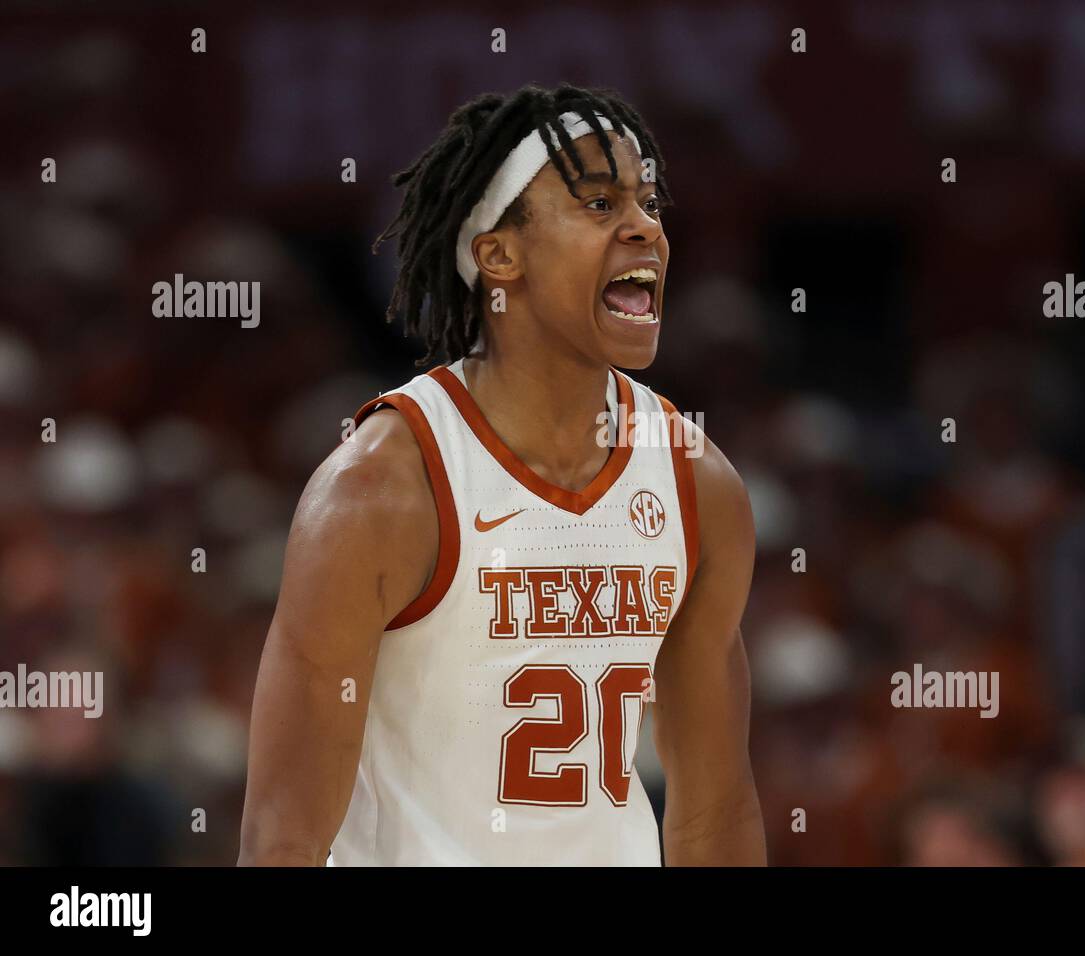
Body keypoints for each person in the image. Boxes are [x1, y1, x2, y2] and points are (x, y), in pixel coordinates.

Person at [238, 83, 765, 865]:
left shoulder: (696, 482)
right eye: (598, 204)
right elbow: (282, 840)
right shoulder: (382, 490)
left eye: (649, 202)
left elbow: (714, 819)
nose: (644, 229)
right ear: (498, 254)